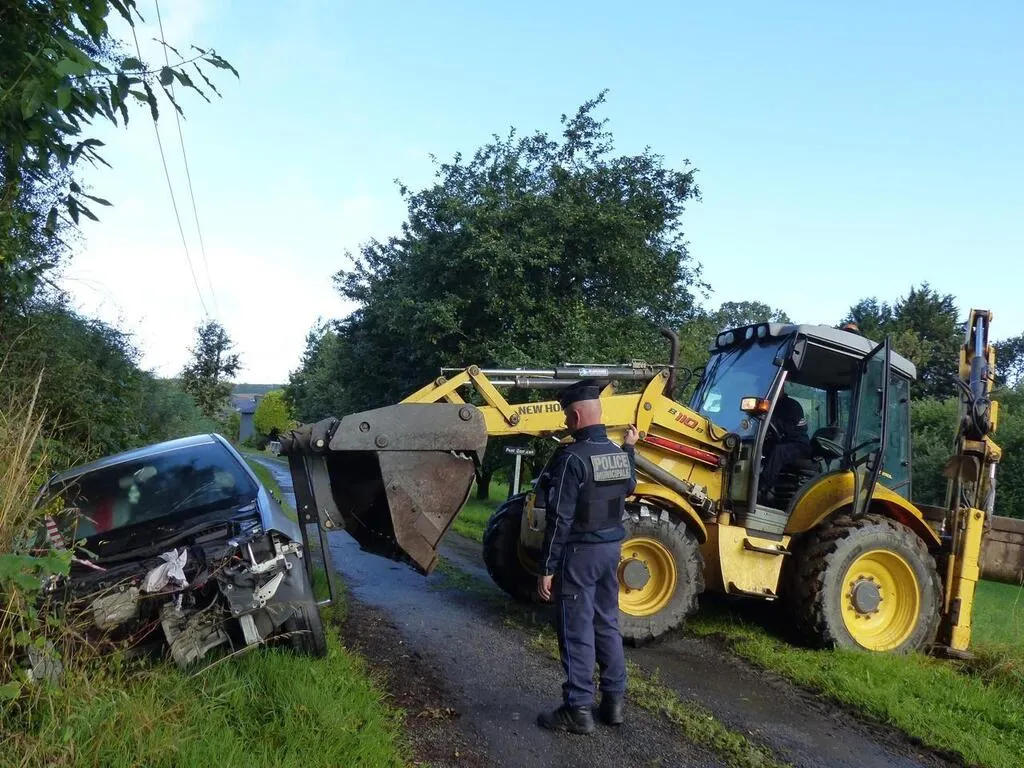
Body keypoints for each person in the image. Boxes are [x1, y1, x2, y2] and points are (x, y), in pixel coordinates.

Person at [534, 379, 639, 735]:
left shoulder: (571, 459)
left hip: (580, 555)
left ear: (577, 415)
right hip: (611, 551)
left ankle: (578, 709)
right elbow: (629, 487)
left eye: (566, 417)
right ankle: (613, 703)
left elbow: (559, 518)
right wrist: (629, 449)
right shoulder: (617, 455)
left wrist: (547, 568)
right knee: (606, 622)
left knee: (576, 629)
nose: (565, 423)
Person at [760, 387, 811, 501]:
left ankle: (763, 485)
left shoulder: (792, 406)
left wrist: (772, 419)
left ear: (781, 388)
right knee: (757, 447)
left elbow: (787, 430)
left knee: (779, 451)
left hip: (799, 444)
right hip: (782, 442)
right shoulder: (771, 405)